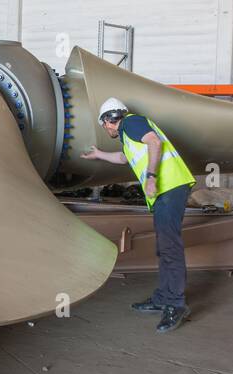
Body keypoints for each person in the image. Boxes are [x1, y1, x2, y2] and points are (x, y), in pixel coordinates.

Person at [82, 97, 195, 332]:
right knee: (164, 245)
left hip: (170, 187)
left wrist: (151, 176)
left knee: (170, 246)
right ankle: (163, 297)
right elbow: (124, 158)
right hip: (166, 191)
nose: (106, 129)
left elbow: (155, 142)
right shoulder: (129, 135)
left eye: (104, 125)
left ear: (109, 120)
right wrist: (99, 154)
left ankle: (176, 304)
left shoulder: (131, 123)